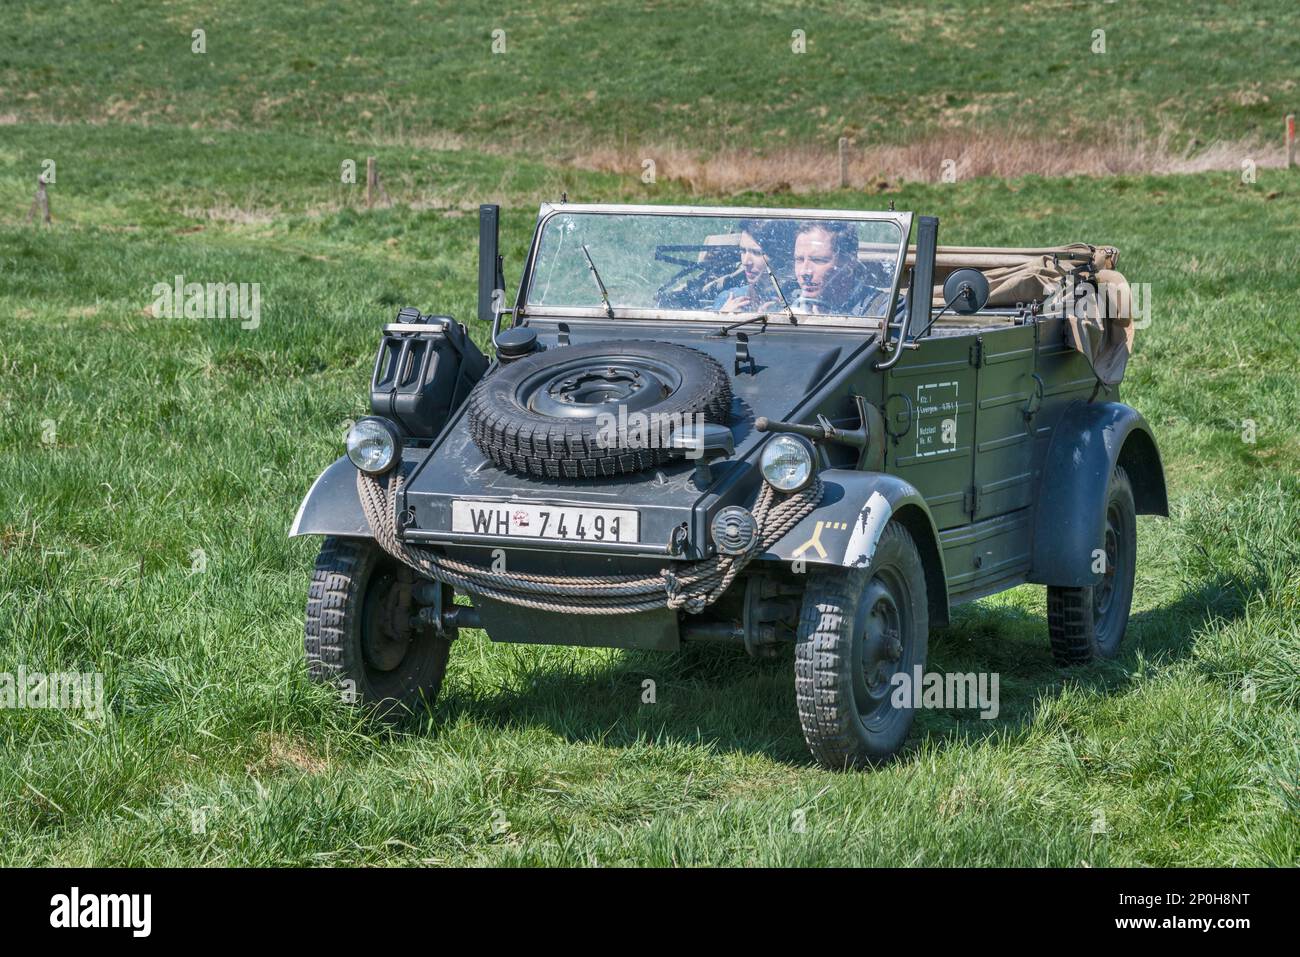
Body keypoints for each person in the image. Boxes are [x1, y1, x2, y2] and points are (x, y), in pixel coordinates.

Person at [790, 220, 891, 316]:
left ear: (850, 261)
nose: (804, 271)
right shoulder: (783, 303)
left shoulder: (886, 309)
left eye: (818, 260)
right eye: (799, 260)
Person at [710, 220, 777, 312]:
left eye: (756, 253)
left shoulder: (796, 303)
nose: (745, 262)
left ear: (778, 257)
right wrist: (724, 317)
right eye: (743, 251)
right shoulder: (728, 300)